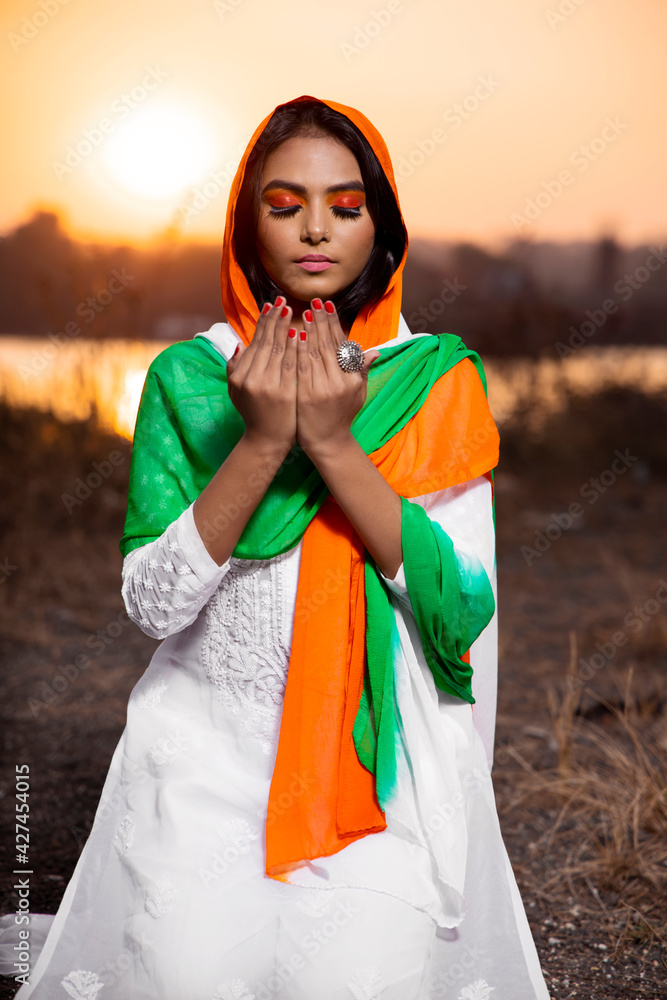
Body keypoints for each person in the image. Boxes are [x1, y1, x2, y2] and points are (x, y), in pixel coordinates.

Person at [0, 95, 550, 999]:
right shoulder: (189, 377)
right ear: (245, 225)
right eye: (284, 203)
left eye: (347, 204)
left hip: (377, 773)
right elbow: (153, 606)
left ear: (384, 224)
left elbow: (459, 609)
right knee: (184, 978)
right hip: (205, 755)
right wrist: (260, 442)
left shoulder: (434, 380)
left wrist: (334, 443)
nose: (316, 231)